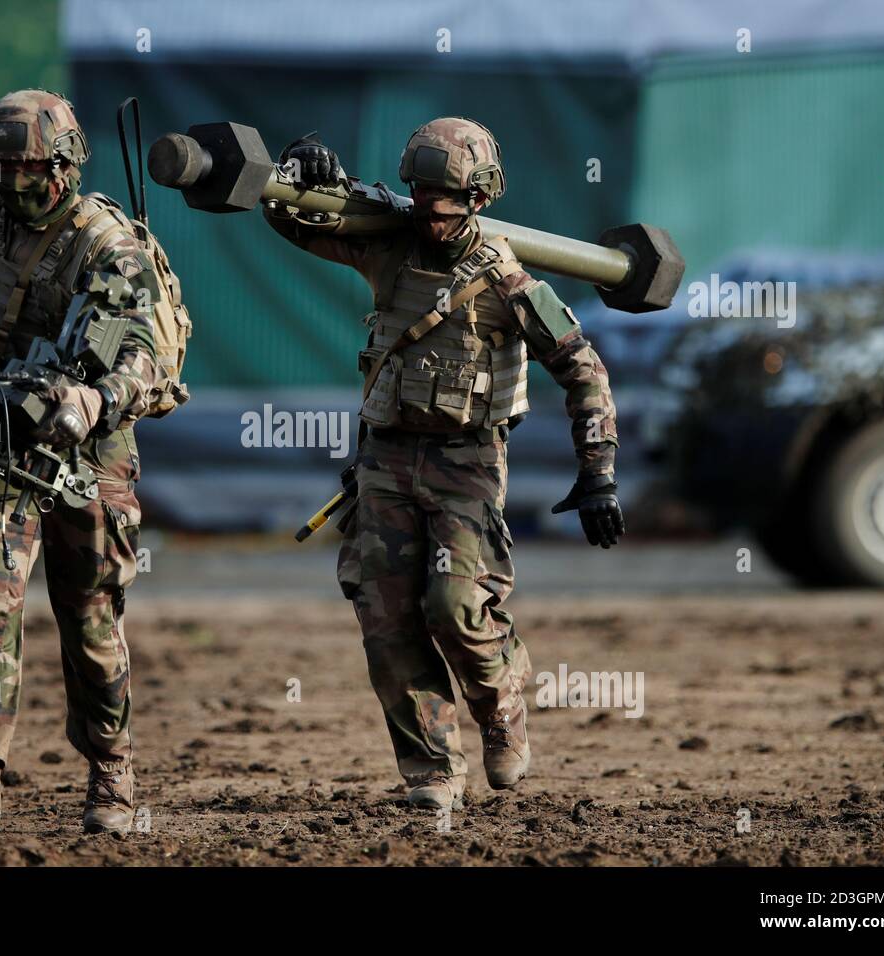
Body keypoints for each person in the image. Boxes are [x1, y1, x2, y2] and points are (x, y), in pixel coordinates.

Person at [264, 118, 625, 809]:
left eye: (445, 200)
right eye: (421, 197)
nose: (429, 214)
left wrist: (598, 469)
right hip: (386, 459)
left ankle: (502, 709)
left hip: (468, 464)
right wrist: (295, 176)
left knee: (457, 607)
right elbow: (298, 228)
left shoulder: (507, 280)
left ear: (480, 198)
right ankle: (430, 772)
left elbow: (584, 371)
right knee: (386, 618)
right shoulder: (388, 250)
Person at [0, 90, 163, 834]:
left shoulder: (107, 245)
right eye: (1, 168)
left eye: (29, 169)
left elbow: (142, 355)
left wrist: (94, 399)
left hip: (91, 452)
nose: (14, 183)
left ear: (66, 166)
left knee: (89, 619)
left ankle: (112, 771)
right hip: (1, 442)